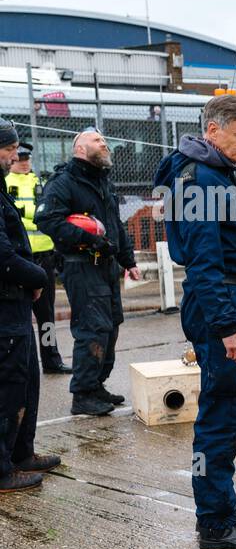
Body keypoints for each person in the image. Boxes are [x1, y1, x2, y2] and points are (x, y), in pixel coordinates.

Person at [153, 95, 236, 549]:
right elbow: (202, 263)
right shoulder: (201, 178)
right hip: (221, 303)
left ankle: (221, 501)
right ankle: (215, 521)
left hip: (228, 295)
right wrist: (228, 326)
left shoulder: (206, 172)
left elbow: (210, 239)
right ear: (213, 131)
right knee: (222, 415)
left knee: (226, 410)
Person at [34, 129, 140, 415]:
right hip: (81, 267)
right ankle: (82, 394)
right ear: (80, 149)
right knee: (93, 328)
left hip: (107, 267)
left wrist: (128, 261)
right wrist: (89, 240)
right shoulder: (64, 182)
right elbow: (45, 219)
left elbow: (116, 225)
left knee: (111, 325)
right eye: (97, 141)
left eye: (105, 140)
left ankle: (96, 385)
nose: (104, 144)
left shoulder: (102, 181)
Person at [0, 119, 60, 492]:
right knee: (8, 385)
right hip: (7, 304)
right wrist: (35, 277)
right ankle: (2, 468)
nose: (15, 156)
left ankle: (21, 452)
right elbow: (3, 256)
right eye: (10, 149)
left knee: (27, 380)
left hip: (19, 295)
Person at [8, 142, 69, 374]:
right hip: (18, 257)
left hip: (44, 256)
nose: (24, 164)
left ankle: (52, 360)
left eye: (27, 160)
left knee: (46, 316)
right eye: (19, 160)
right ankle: (20, 362)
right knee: (16, 316)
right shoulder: (5, 183)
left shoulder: (40, 182)